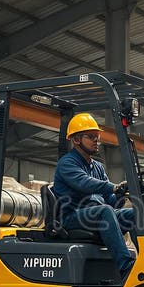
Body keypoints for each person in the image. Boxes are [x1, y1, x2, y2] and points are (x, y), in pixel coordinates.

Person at [53, 113, 137, 275]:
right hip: (72, 216)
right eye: (91, 136)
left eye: (97, 136)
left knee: (137, 214)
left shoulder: (97, 166)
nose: (96, 140)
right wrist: (112, 187)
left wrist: (123, 195)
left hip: (95, 215)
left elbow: (110, 200)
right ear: (76, 140)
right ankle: (127, 267)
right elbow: (85, 183)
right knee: (105, 211)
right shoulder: (67, 163)